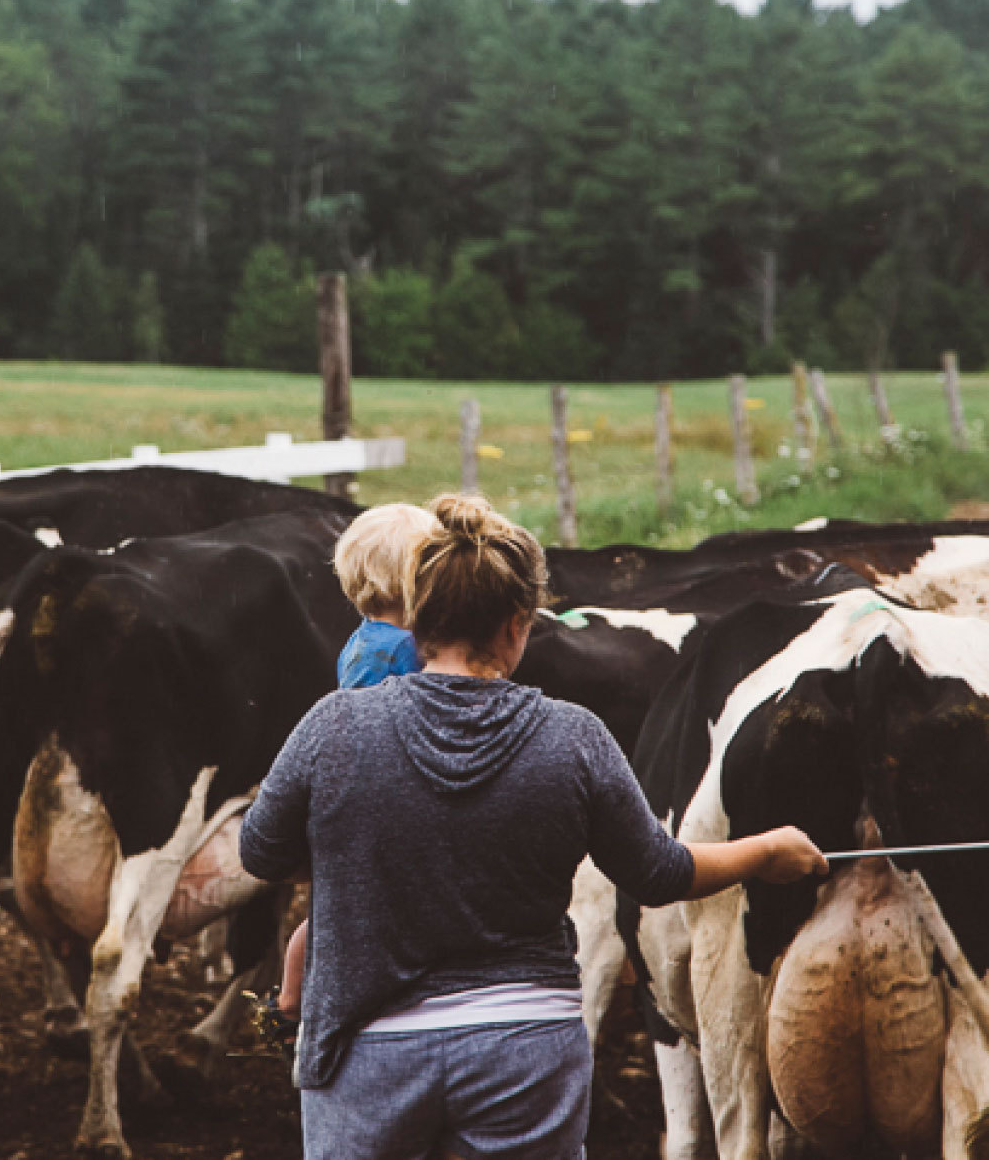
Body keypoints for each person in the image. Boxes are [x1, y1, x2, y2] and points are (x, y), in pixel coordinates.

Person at [239, 493, 826, 1160]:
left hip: (371, 1046)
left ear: (417, 612)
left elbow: (261, 851)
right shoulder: (575, 736)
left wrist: (361, 846)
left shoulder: (332, 726)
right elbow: (657, 872)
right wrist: (767, 849)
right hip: (524, 1046)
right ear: (518, 624)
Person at [274, 502, 441, 1022]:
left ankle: (287, 999)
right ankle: (291, 1000)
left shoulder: (363, 638)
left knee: (324, 912)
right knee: (342, 914)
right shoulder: (404, 651)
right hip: (382, 783)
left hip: (350, 783)